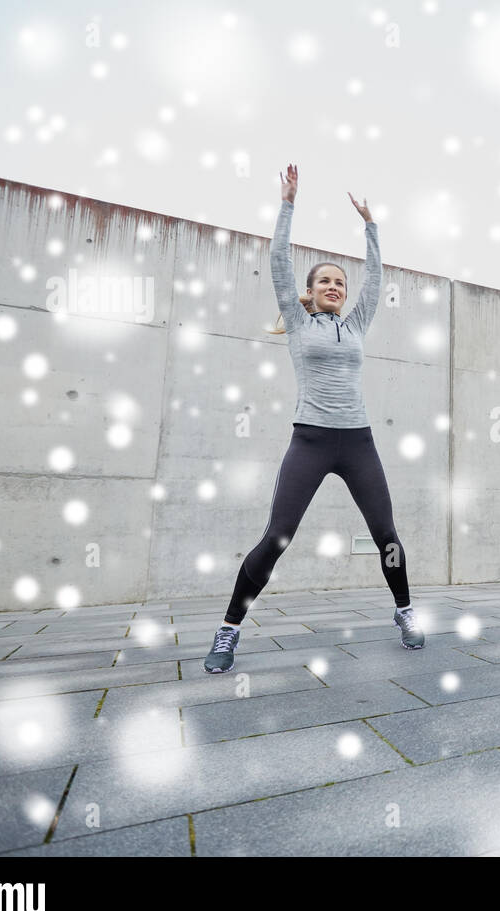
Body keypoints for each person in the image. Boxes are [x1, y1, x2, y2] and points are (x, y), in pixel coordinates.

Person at [205, 164, 423, 674]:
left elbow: (378, 279)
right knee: (278, 535)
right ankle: (228, 630)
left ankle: (406, 611)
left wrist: (371, 226)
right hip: (311, 441)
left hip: (359, 443)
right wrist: (288, 203)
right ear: (309, 291)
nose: (334, 286)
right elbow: (278, 258)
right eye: (325, 280)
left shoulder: (357, 324)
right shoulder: (300, 323)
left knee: (386, 535)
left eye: (339, 282)